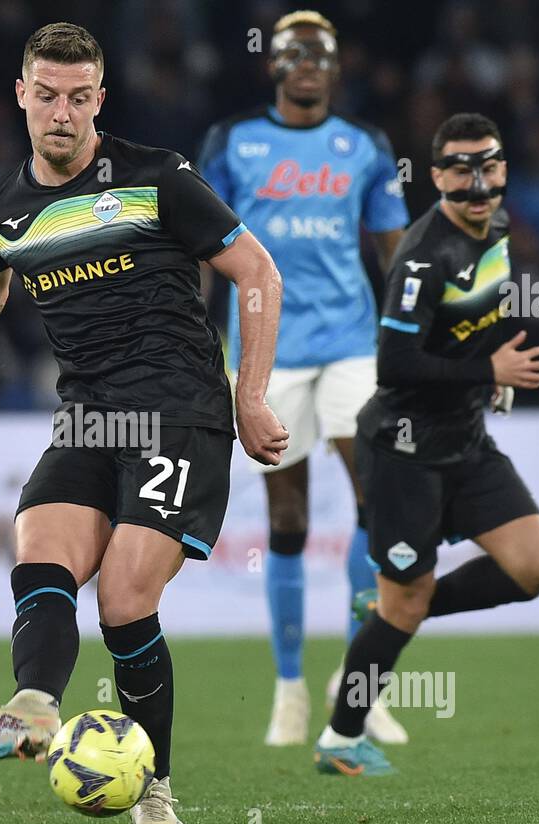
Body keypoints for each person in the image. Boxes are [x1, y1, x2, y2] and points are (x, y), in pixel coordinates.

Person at [0, 22, 287, 824]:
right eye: (47, 95)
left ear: (100, 99)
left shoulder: (156, 177)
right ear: (22, 96)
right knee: (40, 550)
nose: (62, 112)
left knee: (126, 600)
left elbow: (256, 270)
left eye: (78, 97)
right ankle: (31, 708)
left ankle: (156, 788)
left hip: (179, 412)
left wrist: (252, 395)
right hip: (89, 416)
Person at [316, 113, 539, 776]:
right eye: (460, 168)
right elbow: (393, 364)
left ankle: (394, 603)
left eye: (488, 165)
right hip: (403, 452)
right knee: (405, 605)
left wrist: (492, 371)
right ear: (436, 176)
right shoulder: (424, 256)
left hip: (466, 439)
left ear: (504, 169)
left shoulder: (500, 228)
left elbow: (484, 310)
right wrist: (489, 371)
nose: (476, 182)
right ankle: (340, 740)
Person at [198, 10, 409, 746]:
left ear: (337, 68)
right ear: (274, 65)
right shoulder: (232, 143)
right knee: (286, 520)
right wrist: (196, 331)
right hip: (268, 349)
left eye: (323, 53)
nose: (311, 64)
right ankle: (288, 686)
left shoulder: (366, 147)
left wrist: (413, 339)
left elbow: (396, 252)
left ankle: (358, 681)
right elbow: (203, 243)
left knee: (377, 504)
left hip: (353, 344)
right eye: (297, 53)